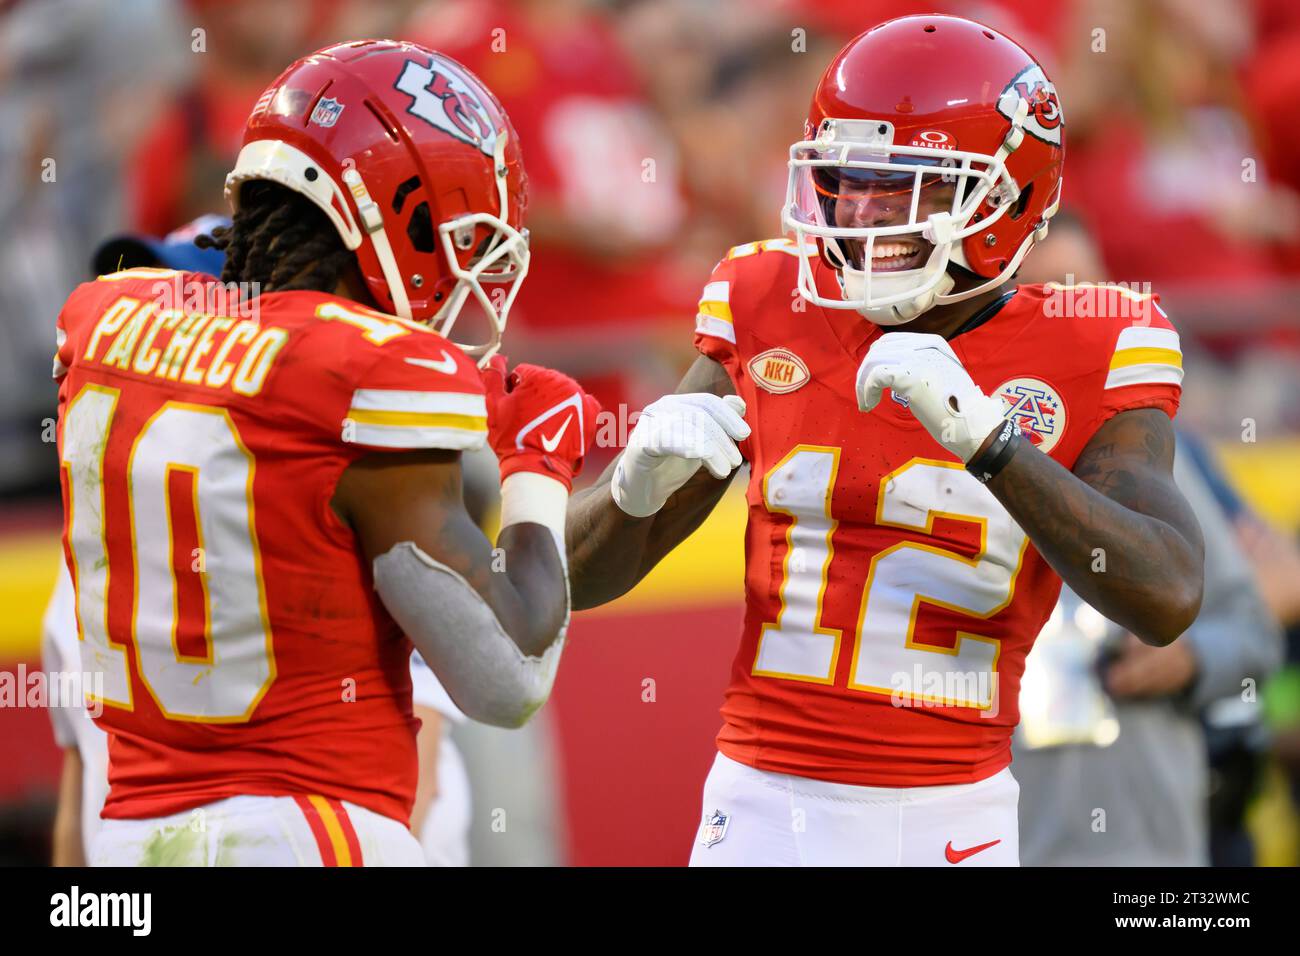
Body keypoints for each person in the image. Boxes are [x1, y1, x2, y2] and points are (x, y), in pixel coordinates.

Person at [566, 14, 1204, 866]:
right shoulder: (767, 304)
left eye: (911, 186)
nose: (864, 215)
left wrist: (993, 444)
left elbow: (1166, 594)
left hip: (953, 814)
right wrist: (629, 492)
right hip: (759, 804)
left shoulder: (1094, 343)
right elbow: (571, 582)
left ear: (1006, 201)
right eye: (849, 182)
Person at [53, 39, 598, 866]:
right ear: (391, 216)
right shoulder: (364, 375)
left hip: (131, 837)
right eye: (459, 245)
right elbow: (508, 676)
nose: (464, 282)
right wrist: (539, 472)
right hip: (309, 830)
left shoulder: (107, 319)